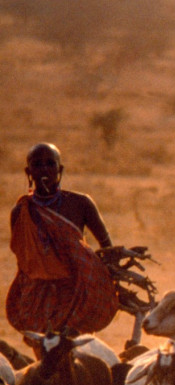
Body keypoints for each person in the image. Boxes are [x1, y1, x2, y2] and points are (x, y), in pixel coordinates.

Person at [6, 143, 119, 334]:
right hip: (39, 291)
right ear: (28, 171)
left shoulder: (80, 203)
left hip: (76, 288)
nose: (44, 169)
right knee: (44, 349)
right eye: (37, 164)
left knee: (72, 346)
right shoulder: (21, 212)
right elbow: (24, 259)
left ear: (60, 169)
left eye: (50, 164)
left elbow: (107, 245)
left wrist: (102, 279)